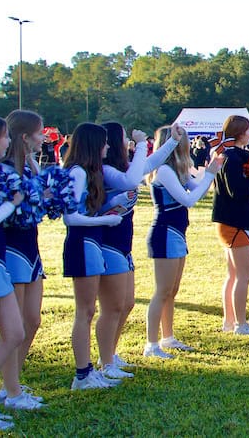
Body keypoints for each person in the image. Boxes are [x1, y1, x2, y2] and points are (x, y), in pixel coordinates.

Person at [96, 122, 181, 379]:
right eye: (124, 138)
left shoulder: (123, 168)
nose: (128, 142)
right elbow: (132, 180)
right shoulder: (107, 170)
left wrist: (172, 141)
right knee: (112, 307)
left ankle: (110, 355)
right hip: (109, 243)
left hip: (124, 243)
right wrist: (143, 144)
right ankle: (105, 362)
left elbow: (151, 163)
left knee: (127, 304)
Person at [144, 126, 222, 357]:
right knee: (162, 291)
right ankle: (151, 344)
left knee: (172, 290)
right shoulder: (164, 170)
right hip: (165, 232)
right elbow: (188, 200)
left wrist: (211, 173)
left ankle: (168, 338)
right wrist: (209, 175)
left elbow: (198, 190)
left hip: (177, 232)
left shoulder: (177, 169)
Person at [62, 123, 125, 389]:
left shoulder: (88, 172)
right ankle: (82, 374)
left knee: (90, 310)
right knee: (85, 311)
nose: (107, 147)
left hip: (92, 242)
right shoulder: (77, 172)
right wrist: (105, 221)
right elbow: (71, 217)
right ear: (92, 144)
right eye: (104, 142)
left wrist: (111, 206)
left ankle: (88, 370)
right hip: (82, 243)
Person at [0, 110, 48, 409]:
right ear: (25, 136)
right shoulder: (5, 170)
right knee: (13, 327)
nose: (44, 138)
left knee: (32, 320)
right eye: (40, 133)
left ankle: (12, 383)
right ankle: (10, 391)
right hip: (13, 249)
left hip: (32, 247)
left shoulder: (29, 165)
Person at [0, 116, 27, 427]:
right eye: (5, 138)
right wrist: (11, 204)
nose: (8, 142)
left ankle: (7, 392)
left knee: (15, 333)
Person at [211, 116, 249, 336]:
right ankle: (240, 323)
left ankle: (230, 320)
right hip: (235, 221)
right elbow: (237, 191)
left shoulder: (233, 155)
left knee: (233, 275)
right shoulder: (231, 158)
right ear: (240, 133)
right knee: (243, 275)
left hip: (233, 221)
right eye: (248, 131)